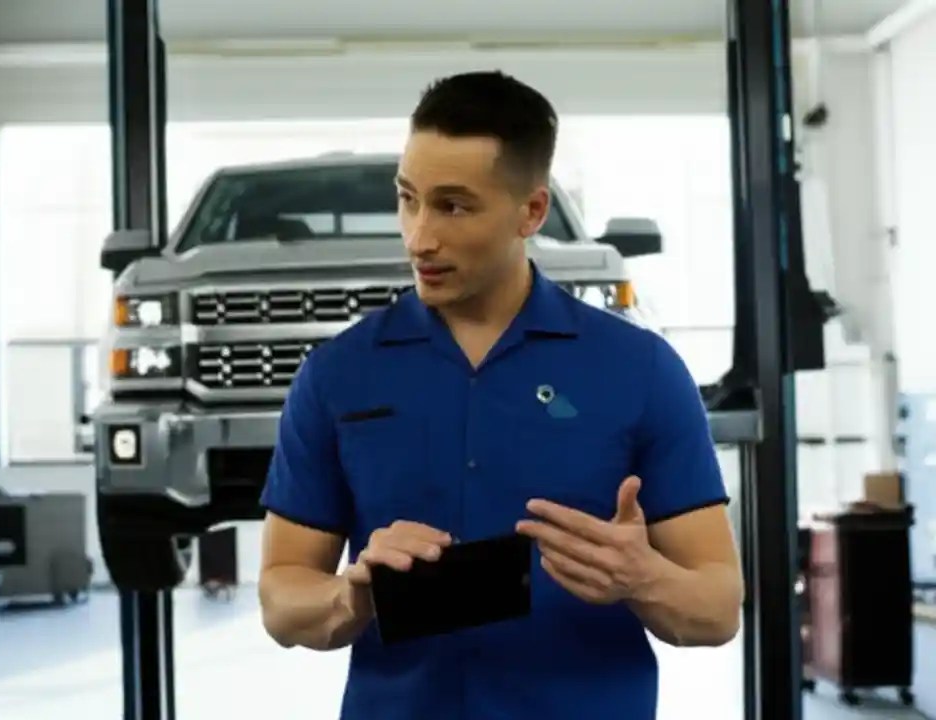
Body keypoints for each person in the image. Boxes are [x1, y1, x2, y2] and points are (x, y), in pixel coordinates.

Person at [257, 71, 743, 719]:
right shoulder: (337, 375)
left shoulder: (639, 370)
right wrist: (352, 597)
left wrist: (643, 579)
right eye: (408, 198)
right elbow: (281, 597)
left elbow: (717, 609)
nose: (419, 237)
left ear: (531, 212)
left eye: (453, 206)